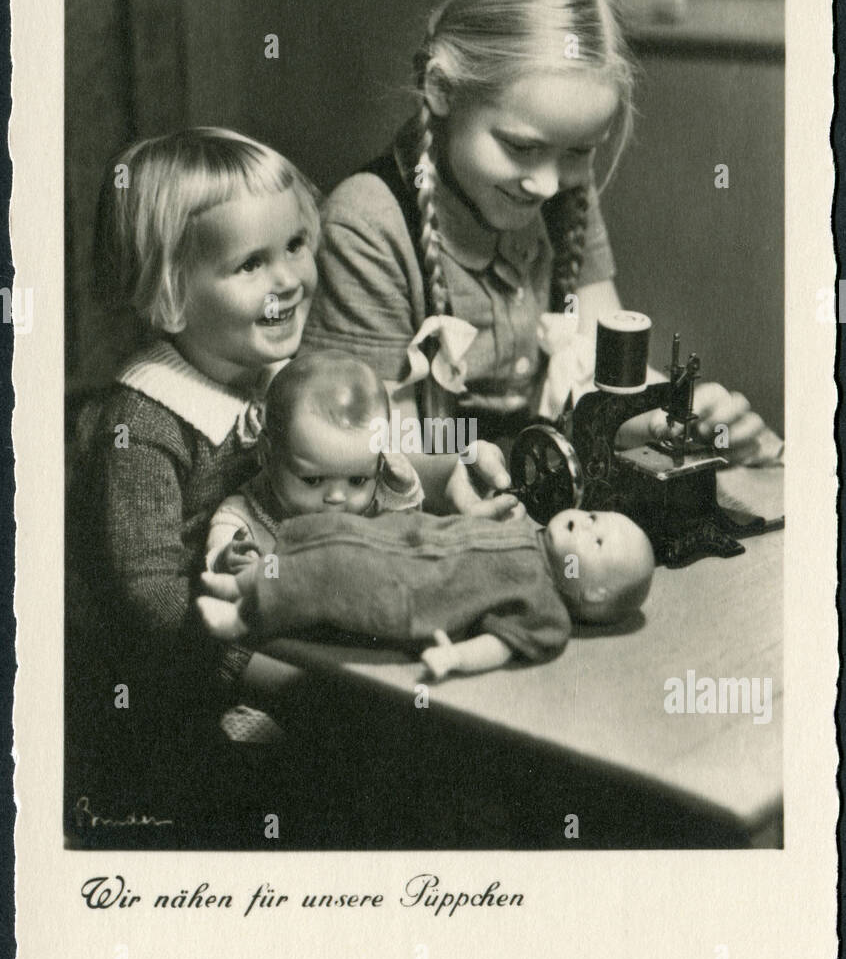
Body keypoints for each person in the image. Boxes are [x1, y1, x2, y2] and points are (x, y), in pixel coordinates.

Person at [302, 0, 777, 472]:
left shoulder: (560, 193)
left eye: (578, 152)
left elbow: (608, 373)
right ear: (441, 89)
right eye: (521, 147)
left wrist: (674, 419)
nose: (549, 183)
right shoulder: (366, 225)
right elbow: (374, 452)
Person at [66, 127, 326, 800]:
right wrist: (247, 667)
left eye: (295, 245)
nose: (290, 280)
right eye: (251, 264)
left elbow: (363, 445)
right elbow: (150, 602)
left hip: (275, 620)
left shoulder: (270, 374)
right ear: (170, 294)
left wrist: (451, 462)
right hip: (179, 689)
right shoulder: (144, 424)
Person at [197, 506, 656, 678]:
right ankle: (240, 582)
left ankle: (243, 619)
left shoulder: (545, 607)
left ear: (593, 593)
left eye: (596, 540)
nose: (586, 522)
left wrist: (456, 659)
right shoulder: (528, 530)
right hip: (403, 541)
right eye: (595, 515)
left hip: (410, 590)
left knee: (330, 572)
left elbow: (500, 645)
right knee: (329, 532)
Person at [205, 349, 423, 573]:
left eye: (357, 480)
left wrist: (401, 488)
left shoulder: (364, 510)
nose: (337, 498)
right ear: (267, 455)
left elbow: (404, 530)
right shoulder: (246, 517)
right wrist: (225, 560)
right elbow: (223, 542)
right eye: (313, 480)